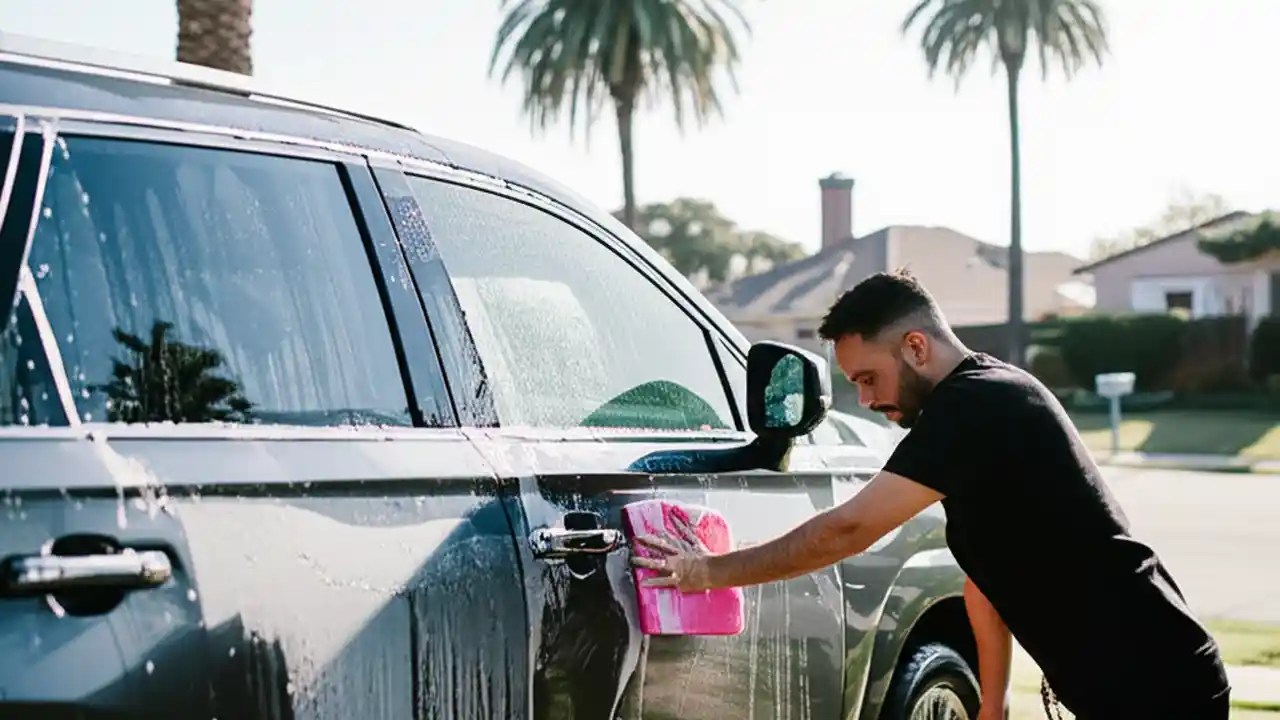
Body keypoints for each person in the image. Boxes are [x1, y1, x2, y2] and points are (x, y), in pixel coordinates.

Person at [632, 269, 1230, 719]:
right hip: (1132, 685)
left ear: (916, 347)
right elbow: (985, 580)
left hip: (1159, 685)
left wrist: (706, 572)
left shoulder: (977, 404)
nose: (864, 399)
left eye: (868, 378)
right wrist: (991, 707)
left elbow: (846, 530)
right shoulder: (971, 413)